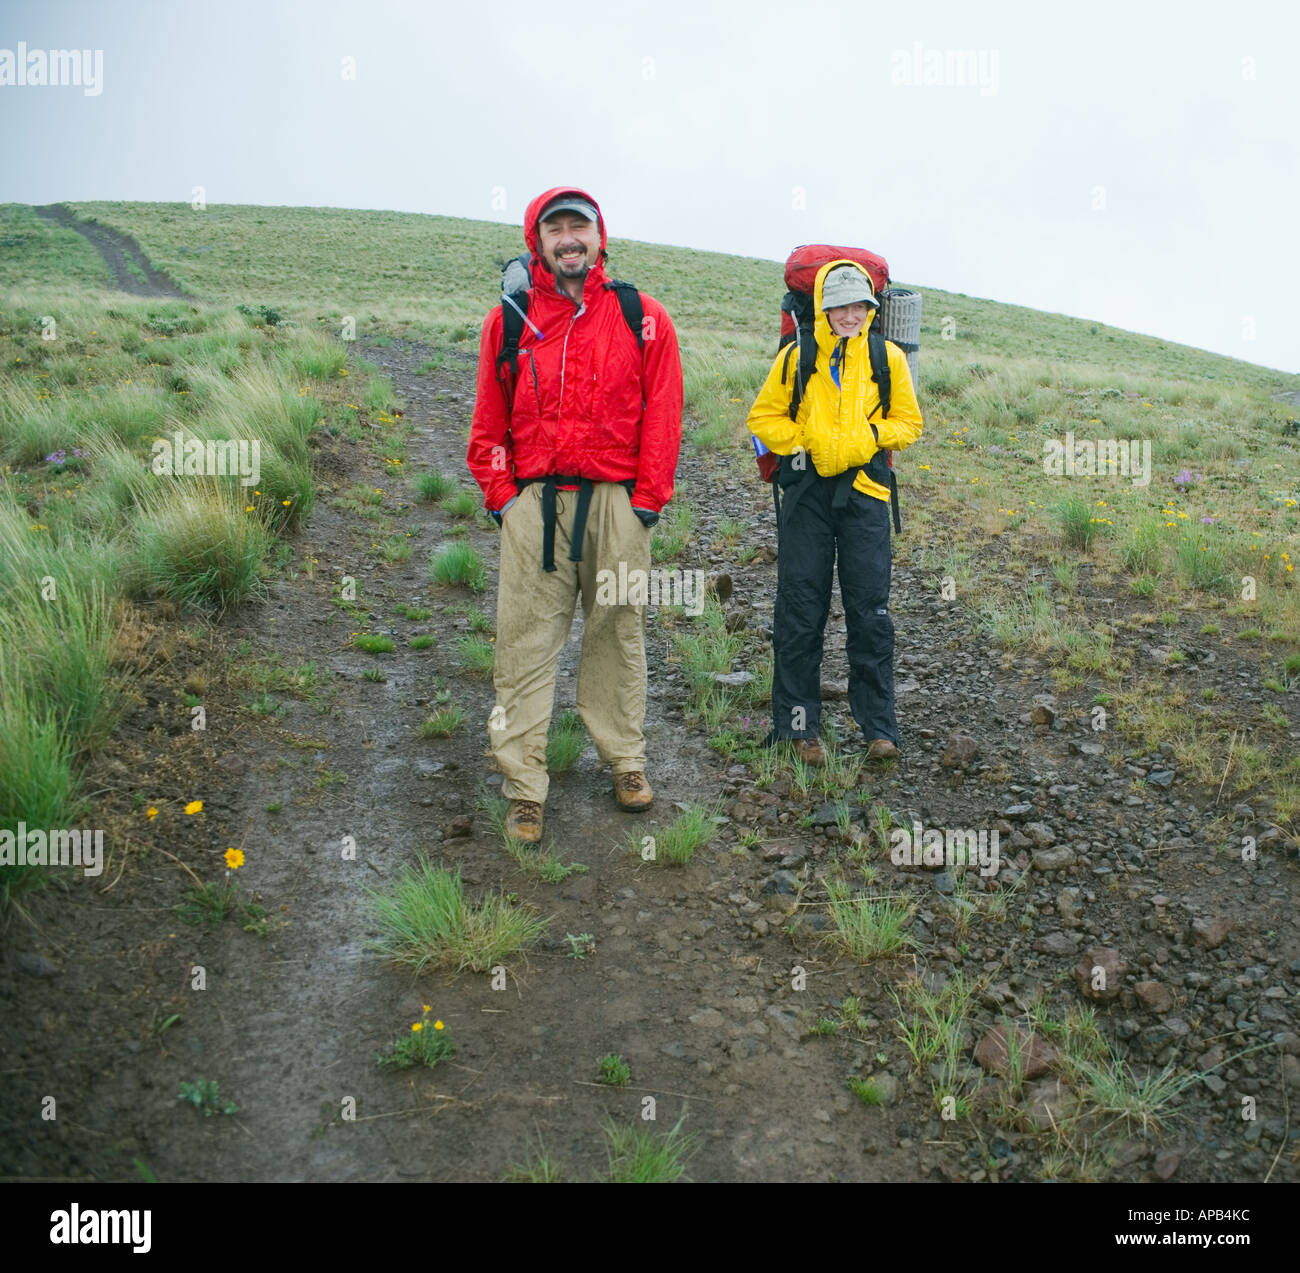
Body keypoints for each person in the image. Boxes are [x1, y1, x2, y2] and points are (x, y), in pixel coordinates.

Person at [467, 187, 683, 843]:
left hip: (618, 504)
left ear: (599, 237)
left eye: (579, 227)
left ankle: (625, 760)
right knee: (524, 639)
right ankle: (525, 786)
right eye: (555, 228)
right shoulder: (508, 321)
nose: (569, 238)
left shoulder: (643, 316)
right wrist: (505, 500)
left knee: (618, 632)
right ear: (538, 241)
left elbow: (664, 417)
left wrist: (645, 503)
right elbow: (487, 427)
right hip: (536, 504)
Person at [746, 260, 923, 766]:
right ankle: (799, 728)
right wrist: (805, 441)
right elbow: (762, 418)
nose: (850, 314)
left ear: (871, 309)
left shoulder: (887, 357)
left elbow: (909, 424)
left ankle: (879, 729)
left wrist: (869, 436)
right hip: (807, 495)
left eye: (860, 305)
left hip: (866, 492)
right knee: (801, 610)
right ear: (823, 307)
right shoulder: (797, 356)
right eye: (840, 305)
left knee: (871, 613)